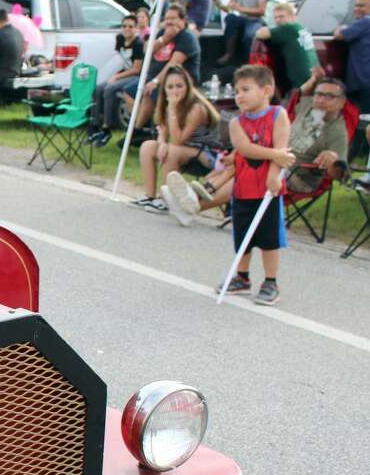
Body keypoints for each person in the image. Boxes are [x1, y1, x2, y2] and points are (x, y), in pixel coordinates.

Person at [168, 70, 348, 216]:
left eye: (329, 96)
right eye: (319, 94)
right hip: (275, 158)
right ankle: (189, 198)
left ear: (341, 102)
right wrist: (314, 79)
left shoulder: (338, 132)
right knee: (240, 160)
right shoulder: (308, 106)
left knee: (250, 166)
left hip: (298, 174)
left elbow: (339, 173)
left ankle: (193, 206)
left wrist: (332, 158)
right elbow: (298, 94)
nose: (321, 100)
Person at [218, 64, 293, 306]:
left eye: (246, 89)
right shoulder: (236, 122)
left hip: (268, 189)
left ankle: (271, 281)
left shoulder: (278, 115)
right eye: (237, 91)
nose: (239, 95)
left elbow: (281, 148)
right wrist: (275, 154)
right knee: (243, 236)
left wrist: (274, 174)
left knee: (270, 238)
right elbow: (245, 148)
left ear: (266, 90)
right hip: (243, 188)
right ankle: (242, 277)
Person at [131, 65, 220, 222]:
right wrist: (162, 143)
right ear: (164, 90)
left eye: (179, 86)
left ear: (188, 87)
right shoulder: (167, 107)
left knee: (172, 151)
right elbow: (163, 133)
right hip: (184, 150)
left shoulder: (196, 108)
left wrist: (172, 109)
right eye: (170, 87)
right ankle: (150, 196)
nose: (175, 91)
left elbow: (179, 140)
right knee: (148, 146)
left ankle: (166, 199)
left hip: (207, 154)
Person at [127, 3, 201, 143]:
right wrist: (164, 39)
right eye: (166, 18)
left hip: (180, 82)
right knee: (129, 91)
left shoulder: (187, 38)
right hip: (157, 77)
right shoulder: (164, 33)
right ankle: (140, 129)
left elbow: (173, 64)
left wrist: (155, 82)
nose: (168, 22)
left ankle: (138, 131)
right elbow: (147, 50)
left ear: (183, 20)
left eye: (173, 18)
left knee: (150, 91)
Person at [89, 14, 146, 146]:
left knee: (110, 89)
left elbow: (136, 69)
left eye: (130, 26)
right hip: (124, 73)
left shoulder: (138, 43)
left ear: (136, 28)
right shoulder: (119, 39)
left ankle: (106, 128)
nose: (127, 29)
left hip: (135, 76)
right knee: (98, 89)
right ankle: (94, 126)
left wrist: (117, 77)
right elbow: (121, 59)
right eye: (124, 26)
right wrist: (115, 74)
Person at [255, 2, 319, 92]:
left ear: (292, 16)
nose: (278, 20)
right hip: (314, 76)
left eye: (281, 16)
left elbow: (260, 34)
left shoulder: (288, 28)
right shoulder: (301, 28)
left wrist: (264, 29)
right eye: (276, 18)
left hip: (301, 81)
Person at [218, 0, 270, 66]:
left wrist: (240, 8)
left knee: (249, 35)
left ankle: (248, 62)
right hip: (241, 18)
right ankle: (229, 54)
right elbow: (231, 7)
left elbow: (261, 11)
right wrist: (220, 5)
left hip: (256, 20)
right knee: (230, 18)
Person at [334, 0, 370, 113]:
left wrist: (340, 27)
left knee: (364, 118)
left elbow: (339, 35)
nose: (356, 9)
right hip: (369, 81)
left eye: (362, 6)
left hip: (364, 82)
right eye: (356, 5)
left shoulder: (367, 21)